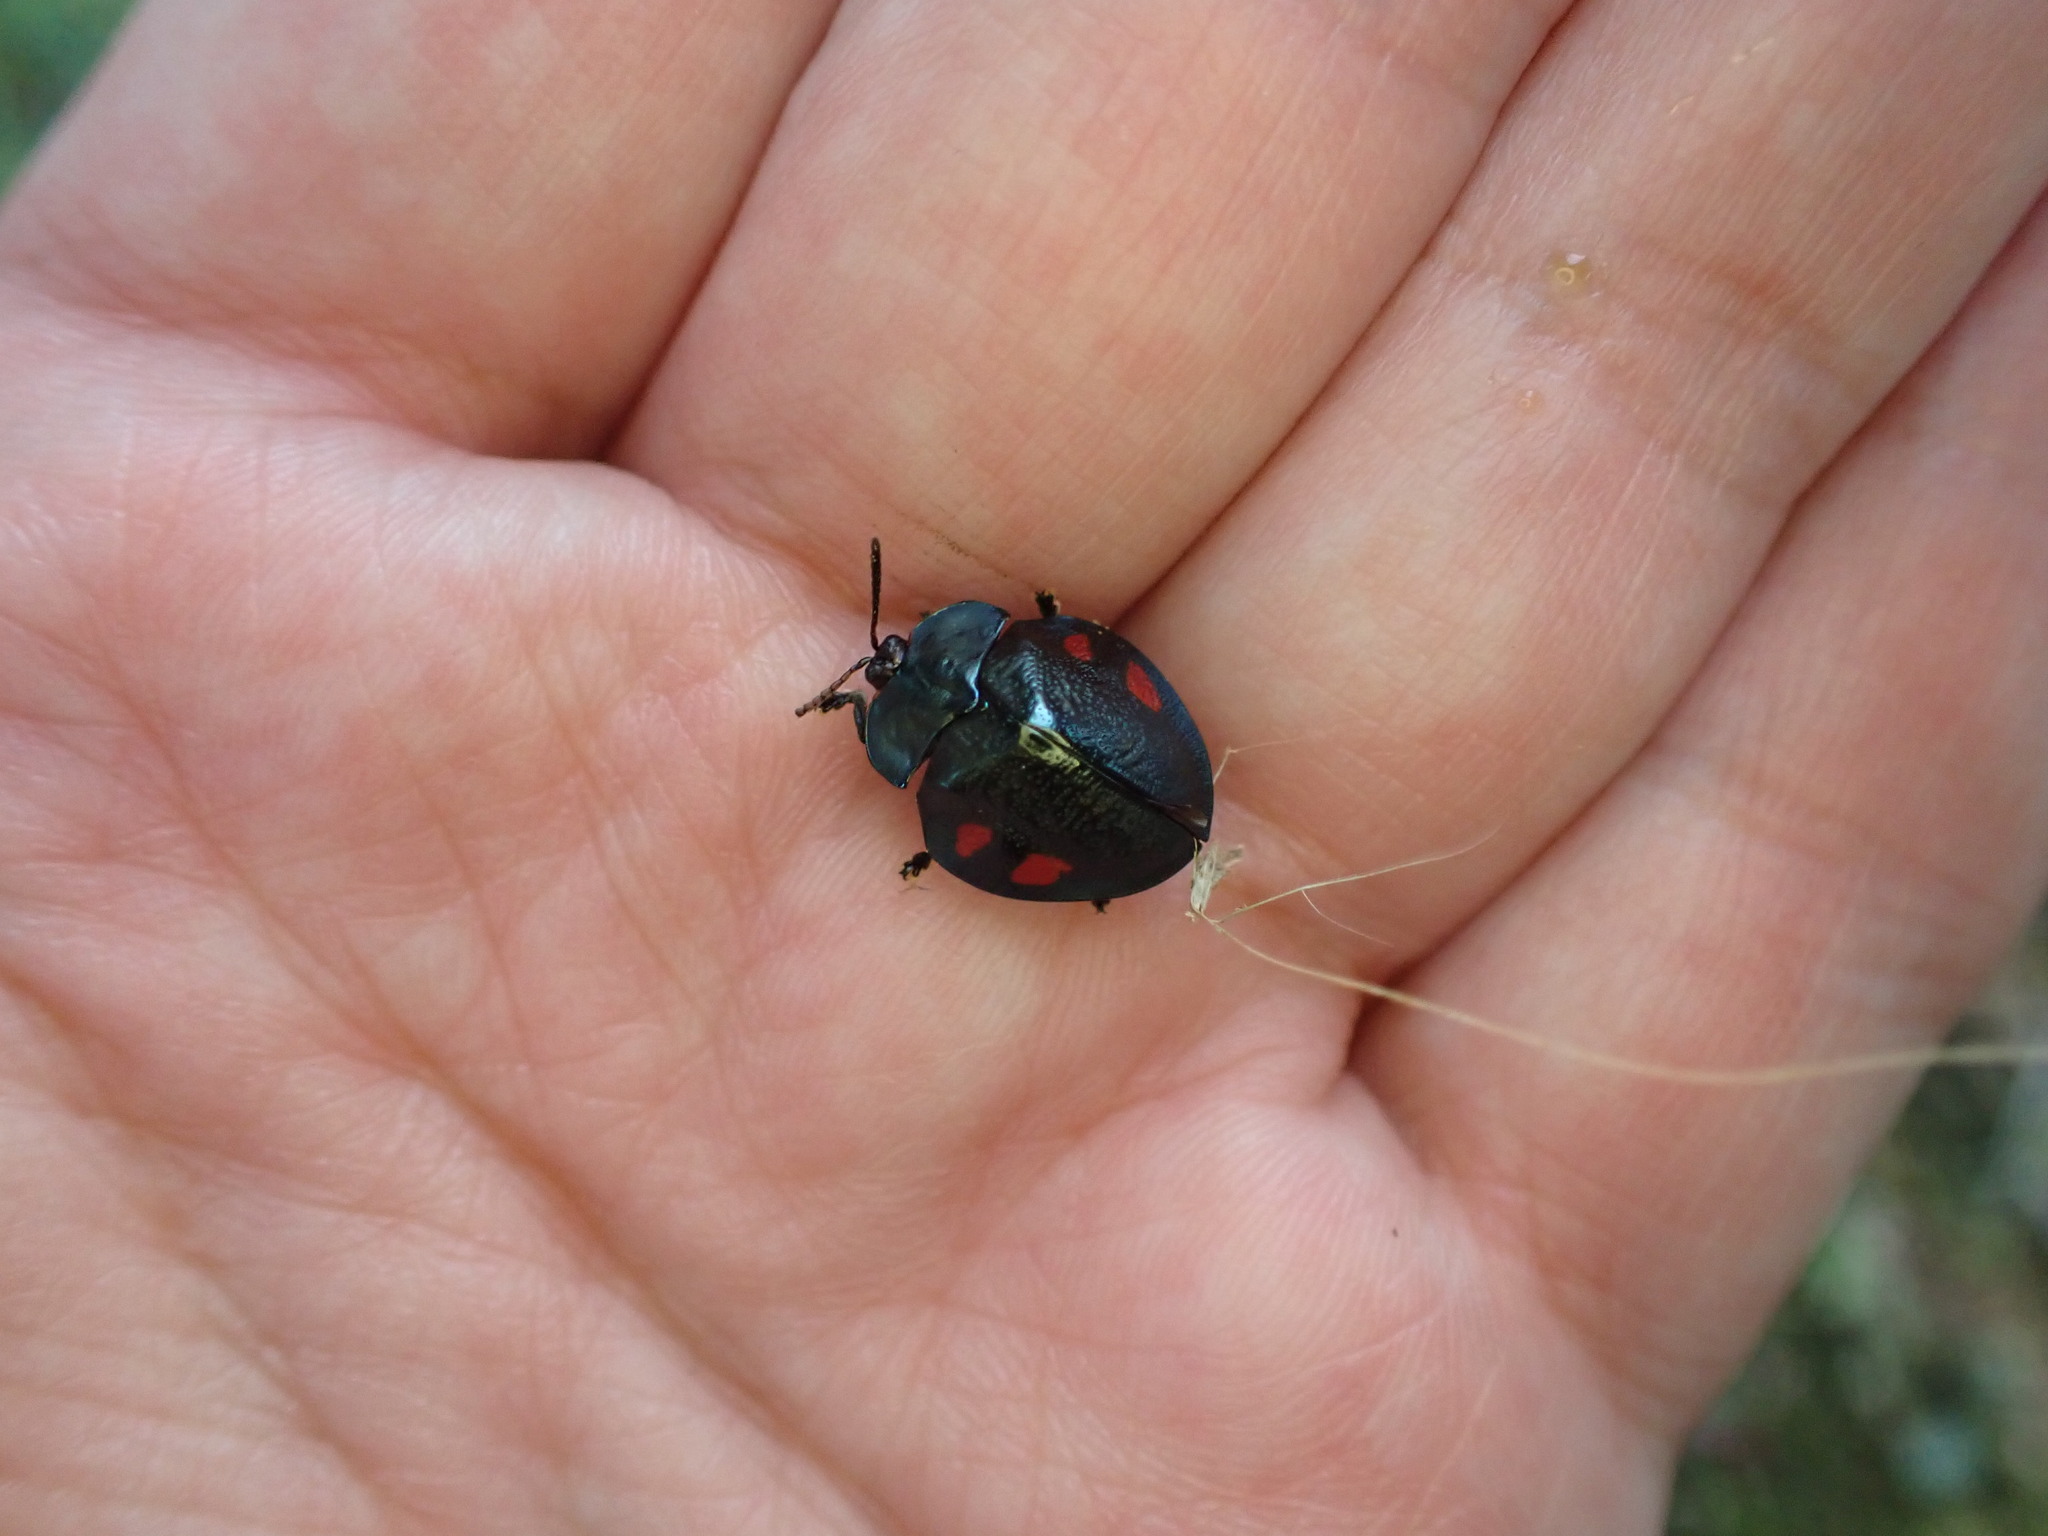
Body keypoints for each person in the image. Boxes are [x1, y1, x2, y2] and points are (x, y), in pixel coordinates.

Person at [0, 1, 2043, 1529]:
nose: (903, 667)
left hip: (1144, 819)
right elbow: (1047, 694)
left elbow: (1020, 761)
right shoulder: (987, 726)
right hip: (1142, 809)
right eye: (903, 676)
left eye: (900, 668)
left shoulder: (959, 794)